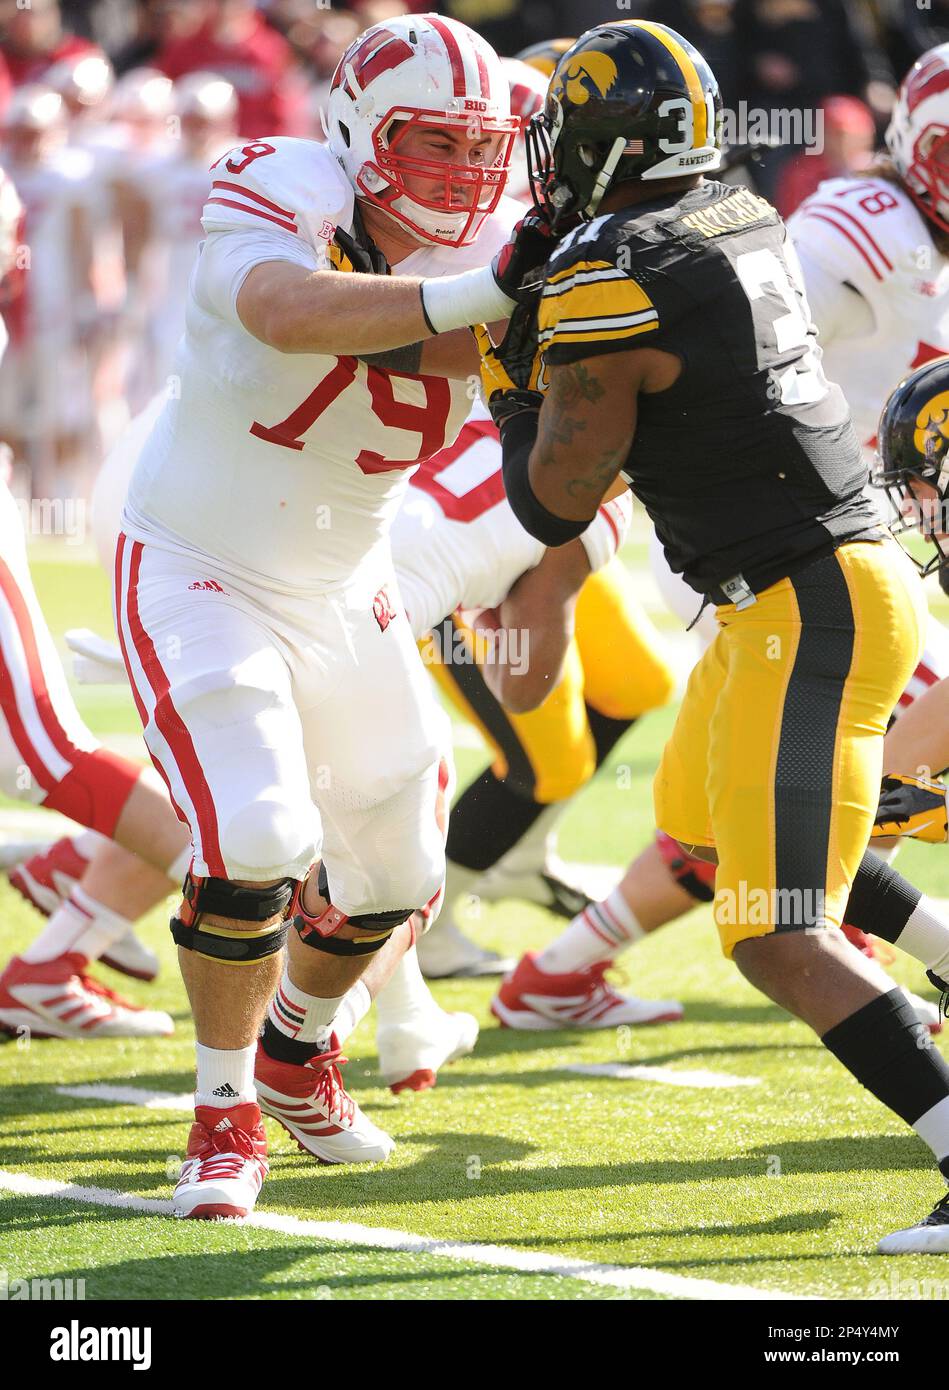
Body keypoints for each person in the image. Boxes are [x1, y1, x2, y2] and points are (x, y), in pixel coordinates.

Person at [485, 18, 949, 1254]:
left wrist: (505, 378)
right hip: (786, 596)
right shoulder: (734, 211)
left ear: (601, 140)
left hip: (805, 602)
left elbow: (553, 495)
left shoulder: (610, 269)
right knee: (722, 833)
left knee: (769, 925)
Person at [111, 11, 549, 1220]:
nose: (464, 174)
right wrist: (492, 294)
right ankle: (218, 1114)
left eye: (481, 148)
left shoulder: (514, 246)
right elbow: (291, 312)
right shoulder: (277, 184)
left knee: (399, 868)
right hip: (200, 557)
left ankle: (296, 1051)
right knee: (256, 834)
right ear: (358, 134)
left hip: (343, 576)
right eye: (432, 144)